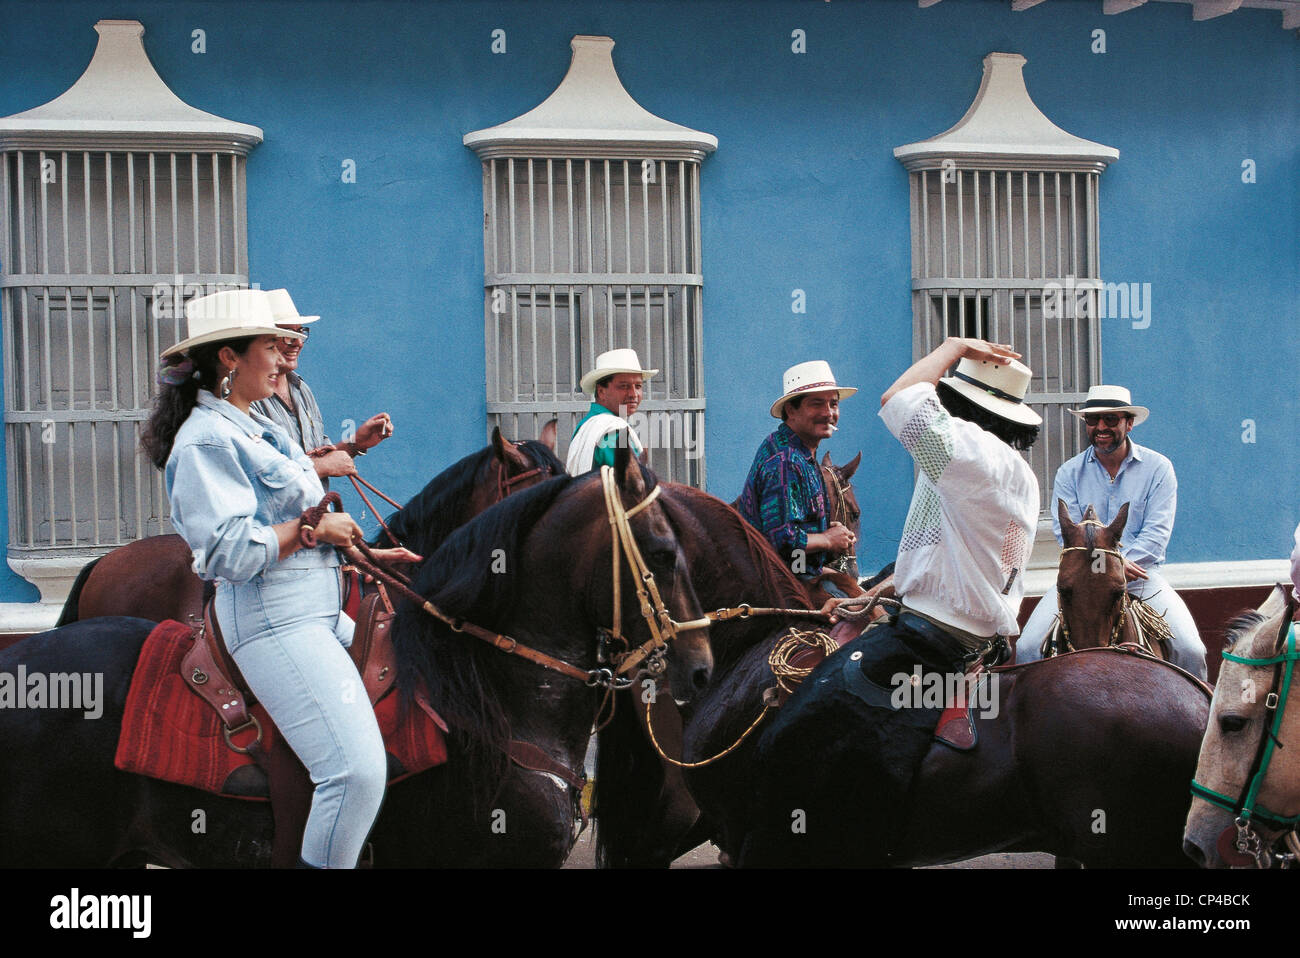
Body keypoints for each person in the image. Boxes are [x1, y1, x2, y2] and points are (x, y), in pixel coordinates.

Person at [141, 288, 413, 868]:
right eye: (272, 345)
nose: (285, 356)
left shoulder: (253, 426)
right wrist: (316, 533)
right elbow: (227, 552)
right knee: (356, 773)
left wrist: (360, 552)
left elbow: (298, 515)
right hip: (273, 619)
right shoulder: (207, 440)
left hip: (317, 607)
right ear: (229, 358)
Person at [749, 338, 1040, 865]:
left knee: (791, 732)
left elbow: (898, 398)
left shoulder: (969, 453)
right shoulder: (1011, 470)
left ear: (966, 406)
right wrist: (869, 598)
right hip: (958, 632)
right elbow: (955, 564)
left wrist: (952, 345)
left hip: (930, 641)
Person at [1015, 385, 1207, 679]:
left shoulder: (1158, 469)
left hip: (1140, 577)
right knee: (1027, 648)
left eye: (1110, 419)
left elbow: (1155, 537)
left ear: (1128, 423)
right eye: (1093, 420)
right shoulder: (1069, 472)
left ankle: (1200, 721)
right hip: (1082, 581)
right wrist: (1103, 567)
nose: (1101, 427)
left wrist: (1115, 567)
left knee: (1190, 651)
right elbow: (1065, 533)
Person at [250, 288, 394, 486]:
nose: (298, 343)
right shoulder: (247, 397)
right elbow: (258, 473)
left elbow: (319, 454)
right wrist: (322, 467)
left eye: (301, 333)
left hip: (316, 514)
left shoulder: (301, 389)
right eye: (287, 335)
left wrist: (356, 443)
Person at [736, 360, 856, 587]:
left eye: (833, 404)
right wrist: (828, 540)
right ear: (791, 410)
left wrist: (830, 534)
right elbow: (783, 540)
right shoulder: (785, 461)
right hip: (780, 585)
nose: (828, 413)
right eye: (817, 404)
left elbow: (797, 529)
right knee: (865, 614)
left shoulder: (800, 454)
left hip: (798, 572)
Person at [565, 348, 657, 476]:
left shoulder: (586, 425)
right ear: (601, 391)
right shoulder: (614, 432)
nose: (633, 394)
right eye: (624, 386)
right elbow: (633, 486)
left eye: (638, 386)